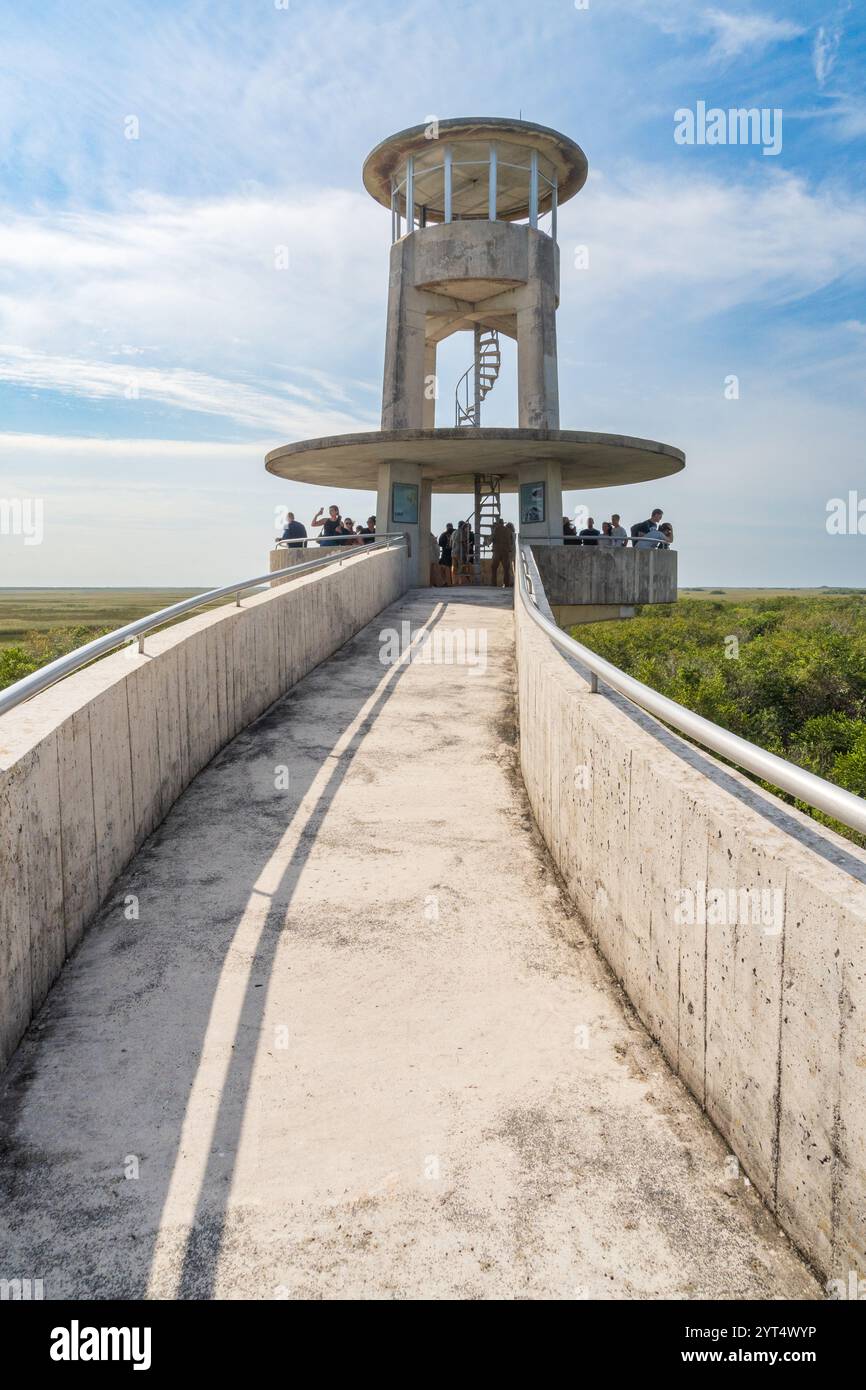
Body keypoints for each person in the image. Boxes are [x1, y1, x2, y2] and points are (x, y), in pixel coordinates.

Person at [491, 517, 513, 588]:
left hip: (497, 552)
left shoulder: (495, 530)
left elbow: (491, 539)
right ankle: (506, 584)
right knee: (506, 570)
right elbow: (511, 542)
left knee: (494, 568)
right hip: (505, 552)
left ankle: (494, 584)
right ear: (503, 523)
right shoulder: (508, 531)